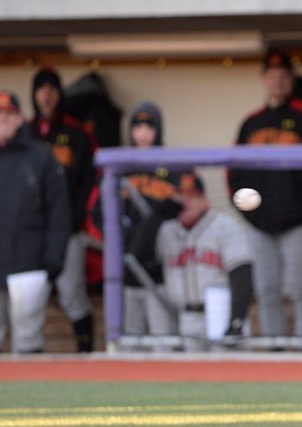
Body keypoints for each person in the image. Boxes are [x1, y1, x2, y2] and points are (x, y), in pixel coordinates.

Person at [228, 48, 302, 341]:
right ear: (264, 79)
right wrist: (246, 211)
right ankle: (274, 353)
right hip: (259, 222)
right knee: (266, 290)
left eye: (284, 76)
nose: (278, 82)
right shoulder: (252, 123)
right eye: (272, 76)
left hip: (298, 221)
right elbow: (232, 171)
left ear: (291, 79)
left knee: (300, 289)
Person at [87, 102, 180, 346]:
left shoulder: (175, 167)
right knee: (131, 342)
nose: (143, 133)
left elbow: (188, 211)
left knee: (164, 341)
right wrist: (119, 239)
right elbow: (95, 215)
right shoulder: (118, 169)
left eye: (149, 127)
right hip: (127, 272)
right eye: (137, 127)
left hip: (162, 275)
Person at [130, 172, 254, 352]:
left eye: (192, 197)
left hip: (222, 312)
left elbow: (242, 272)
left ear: (205, 200)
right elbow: (140, 256)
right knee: (195, 376)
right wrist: (157, 216)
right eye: (181, 196)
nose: (186, 202)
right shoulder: (167, 231)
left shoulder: (224, 225)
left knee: (230, 374)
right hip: (187, 317)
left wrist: (236, 320)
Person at [29, 67, 98, 352]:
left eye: (52, 89)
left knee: (71, 294)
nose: (47, 95)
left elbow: (91, 180)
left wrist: (76, 217)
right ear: (34, 94)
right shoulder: (24, 134)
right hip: (32, 233)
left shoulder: (76, 133)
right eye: (41, 89)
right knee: (31, 296)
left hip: (68, 230)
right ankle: (30, 359)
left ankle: (86, 353)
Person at [0, 90, 71, 354]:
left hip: (28, 266)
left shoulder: (40, 157)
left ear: (20, 118)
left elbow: (59, 213)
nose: (3, 120)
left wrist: (53, 260)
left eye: (9, 114)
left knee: (28, 343)